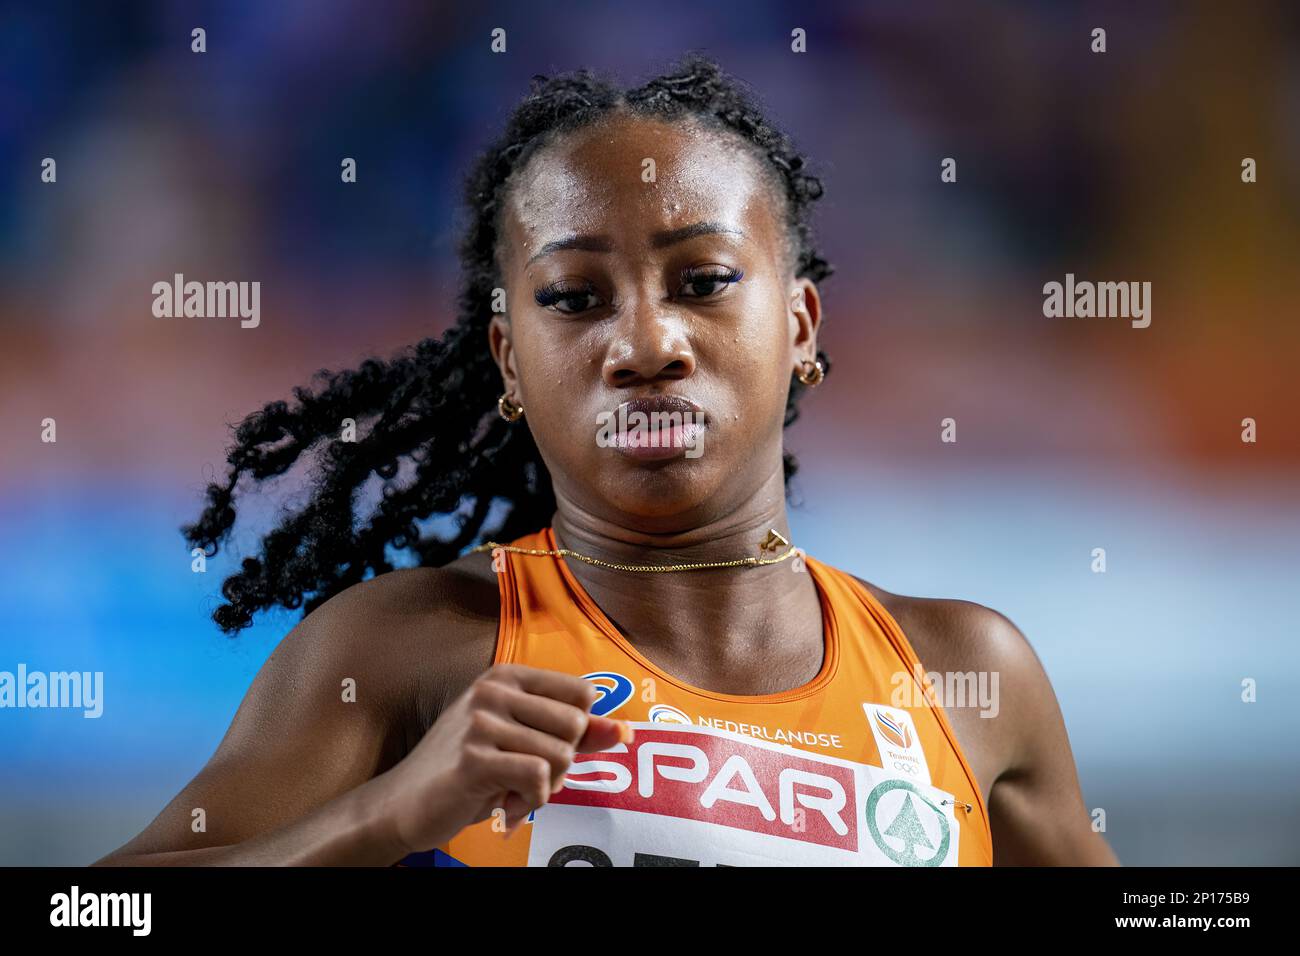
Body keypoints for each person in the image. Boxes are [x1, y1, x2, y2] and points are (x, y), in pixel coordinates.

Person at [94, 53, 1118, 867]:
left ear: (800, 324)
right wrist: (384, 818)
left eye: (704, 279)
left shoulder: (964, 673)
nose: (644, 345)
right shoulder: (403, 651)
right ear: (509, 358)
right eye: (575, 298)